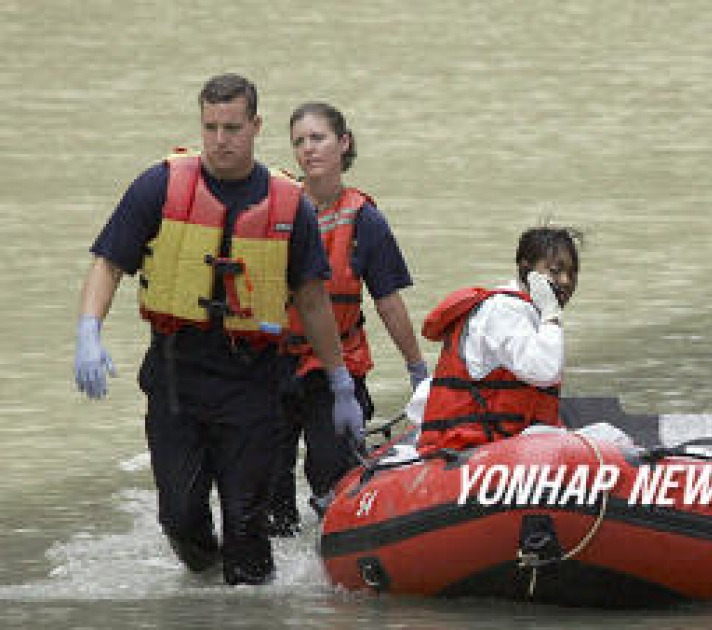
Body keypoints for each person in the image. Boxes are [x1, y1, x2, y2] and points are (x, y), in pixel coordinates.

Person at [72, 74, 363, 585]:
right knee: (180, 516)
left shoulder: (288, 203)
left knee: (248, 526)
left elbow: (313, 300)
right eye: (211, 127)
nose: (220, 139)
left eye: (232, 127)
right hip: (176, 373)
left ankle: (250, 605)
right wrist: (88, 332)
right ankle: (206, 585)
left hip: (253, 380)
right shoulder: (159, 186)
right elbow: (109, 263)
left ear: (256, 126)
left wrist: (340, 382)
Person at [264, 102, 429, 534]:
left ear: (343, 143)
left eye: (317, 138)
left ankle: (333, 544)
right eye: (299, 142)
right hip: (273, 364)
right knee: (269, 486)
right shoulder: (276, 210)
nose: (308, 149)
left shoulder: (365, 220)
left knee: (330, 471)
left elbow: (388, 302)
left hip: (336, 365)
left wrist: (418, 371)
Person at [406, 226, 580, 455]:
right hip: (467, 446)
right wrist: (551, 315)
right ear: (526, 270)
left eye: (572, 273)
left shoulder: (529, 312)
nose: (565, 281)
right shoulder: (503, 310)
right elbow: (545, 371)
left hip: (504, 443)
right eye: (555, 271)